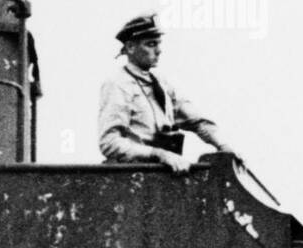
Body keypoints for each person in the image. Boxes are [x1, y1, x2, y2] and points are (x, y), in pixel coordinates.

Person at [98, 13, 240, 175]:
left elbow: (196, 120)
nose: (158, 51)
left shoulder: (161, 84)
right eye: (151, 44)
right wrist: (159, 154)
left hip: (161, 176)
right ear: (130, 47)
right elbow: (109, 142)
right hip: (131, 175)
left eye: (158, 44)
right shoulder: (118, 84)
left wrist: (224, 147)